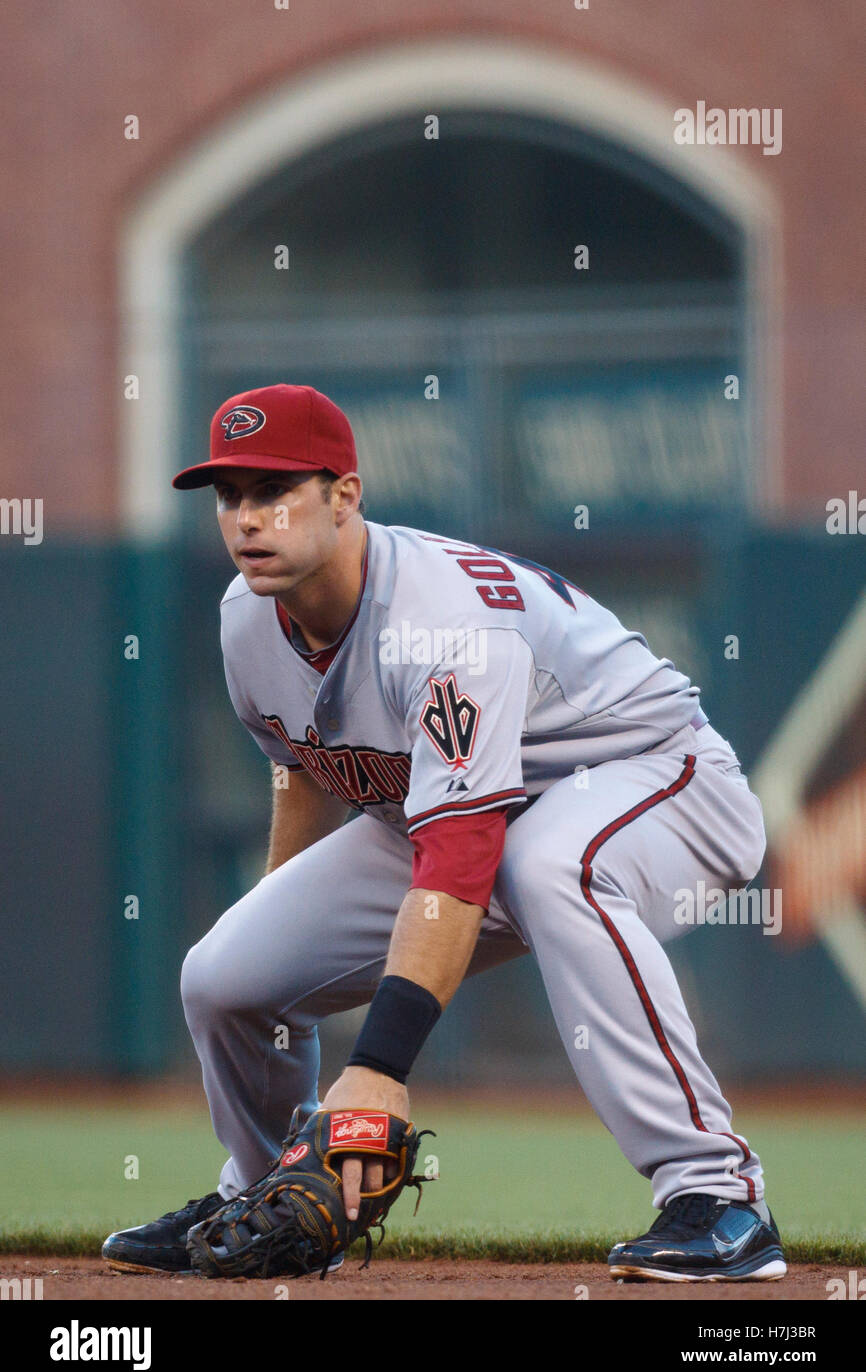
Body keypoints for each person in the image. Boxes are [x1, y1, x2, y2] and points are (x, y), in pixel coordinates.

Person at [102, 383, 785, 1283]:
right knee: (222, 975)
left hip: (658, 779)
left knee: (553, 865)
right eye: (230, 496)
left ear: (345, 494)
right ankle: (279, 1193)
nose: (246, 519)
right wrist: (275, 942)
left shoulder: (445, 624)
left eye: (275, 491)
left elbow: (464, 856)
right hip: (447, 809)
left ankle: (721, 1197)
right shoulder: (246, 620)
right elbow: (306, 771)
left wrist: (380, 1066)